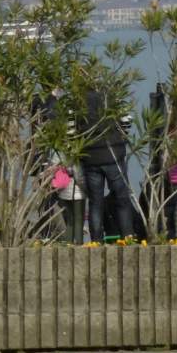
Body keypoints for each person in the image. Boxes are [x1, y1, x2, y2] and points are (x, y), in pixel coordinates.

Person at [79, 86, 133, 241]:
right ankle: (127, 237)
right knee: (122, 198)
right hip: (113, 154)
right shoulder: (112, 96)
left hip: (90, 157)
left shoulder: (79, 101)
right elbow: (126, 120)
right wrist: (120, 137)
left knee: (95, 202)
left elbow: (73, 130)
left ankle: (96, 241)